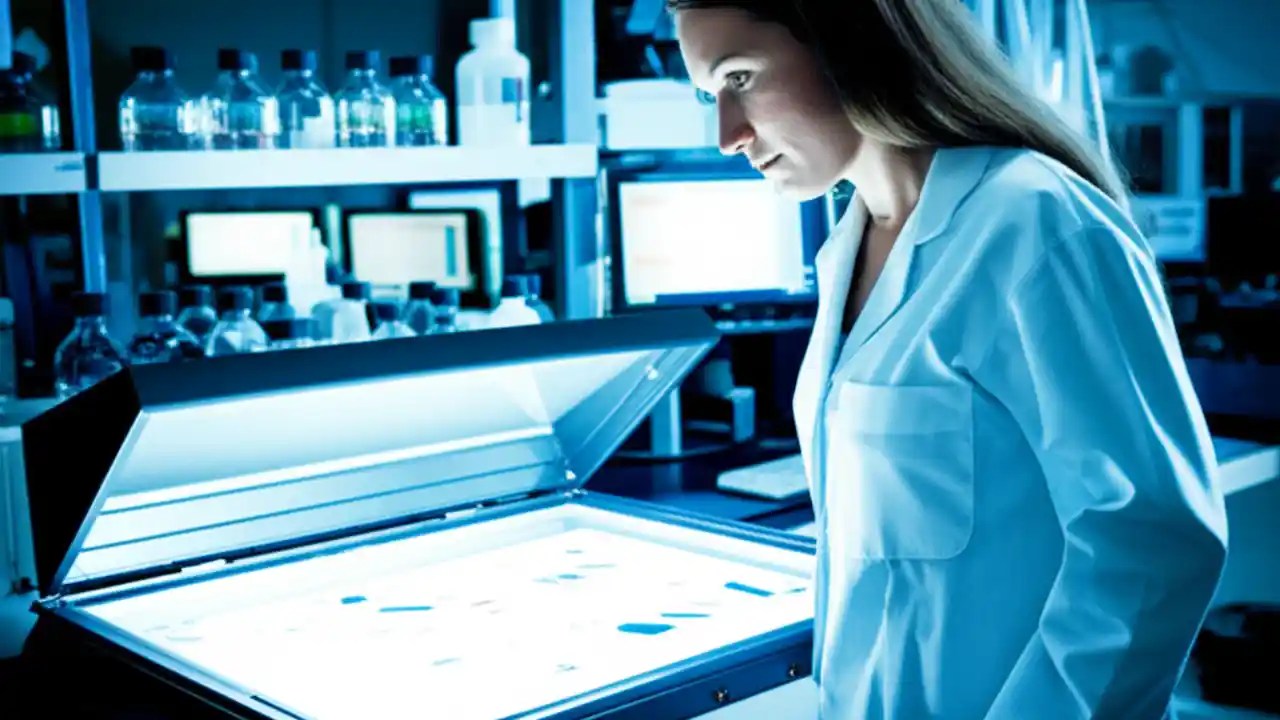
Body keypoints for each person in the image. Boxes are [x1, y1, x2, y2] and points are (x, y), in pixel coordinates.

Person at [667, 1, 1229, 718]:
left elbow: (1151, 541)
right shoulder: (850, 245)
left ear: (848, 43)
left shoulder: (1035, 222)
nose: (727, 134)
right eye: (708, 95)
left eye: (740, 77)